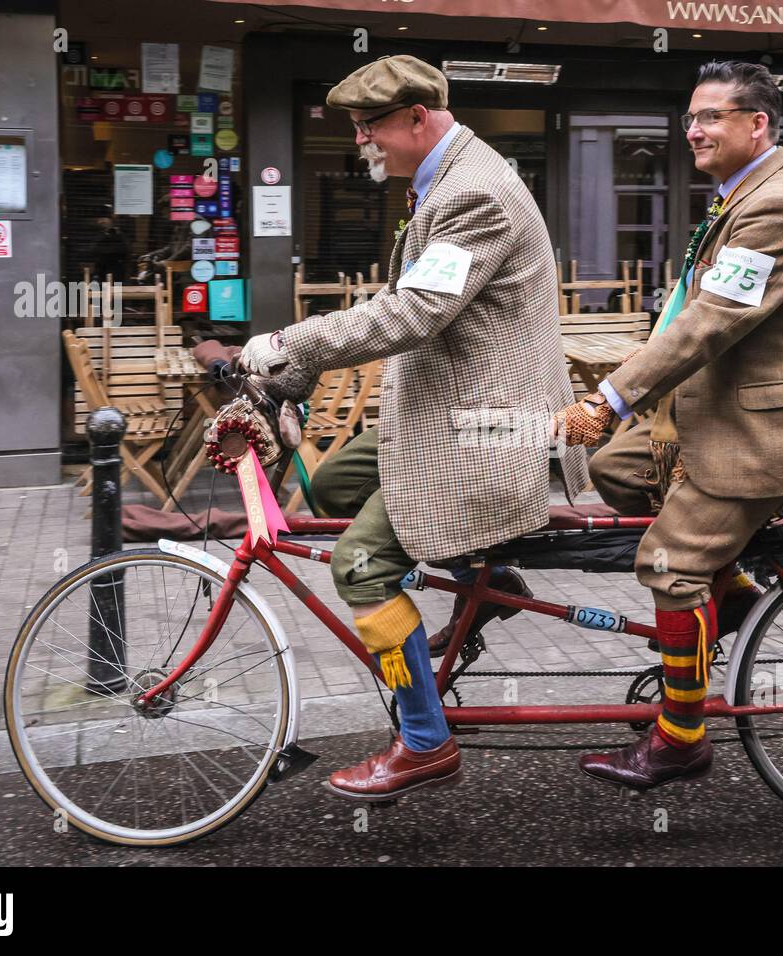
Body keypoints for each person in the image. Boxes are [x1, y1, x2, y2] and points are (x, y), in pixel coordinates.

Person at [241, 55, 587, 801]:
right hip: (452, 413)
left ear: (416, 119)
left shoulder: (475, 193)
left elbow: (412, 314)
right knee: (330, 485)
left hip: (490, 429)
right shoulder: (444, 178)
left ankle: (425, 740)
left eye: (370, 128)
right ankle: (481, 584)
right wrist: (291, 382)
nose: (363, 142)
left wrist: (287, 344)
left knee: (358, 564)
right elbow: (408, 301)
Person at [553, 60, 783, 790]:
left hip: (775, 428)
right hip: (730, 403)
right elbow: (695, 319)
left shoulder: (778, 207)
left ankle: (681, 737)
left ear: (757, 125)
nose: (692, 129)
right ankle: (735, 598)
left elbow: (712, 322)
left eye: (711, 117)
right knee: (617, 471)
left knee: (668, 563)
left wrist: (609, 401)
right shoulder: (742, 196)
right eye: (690, 116)